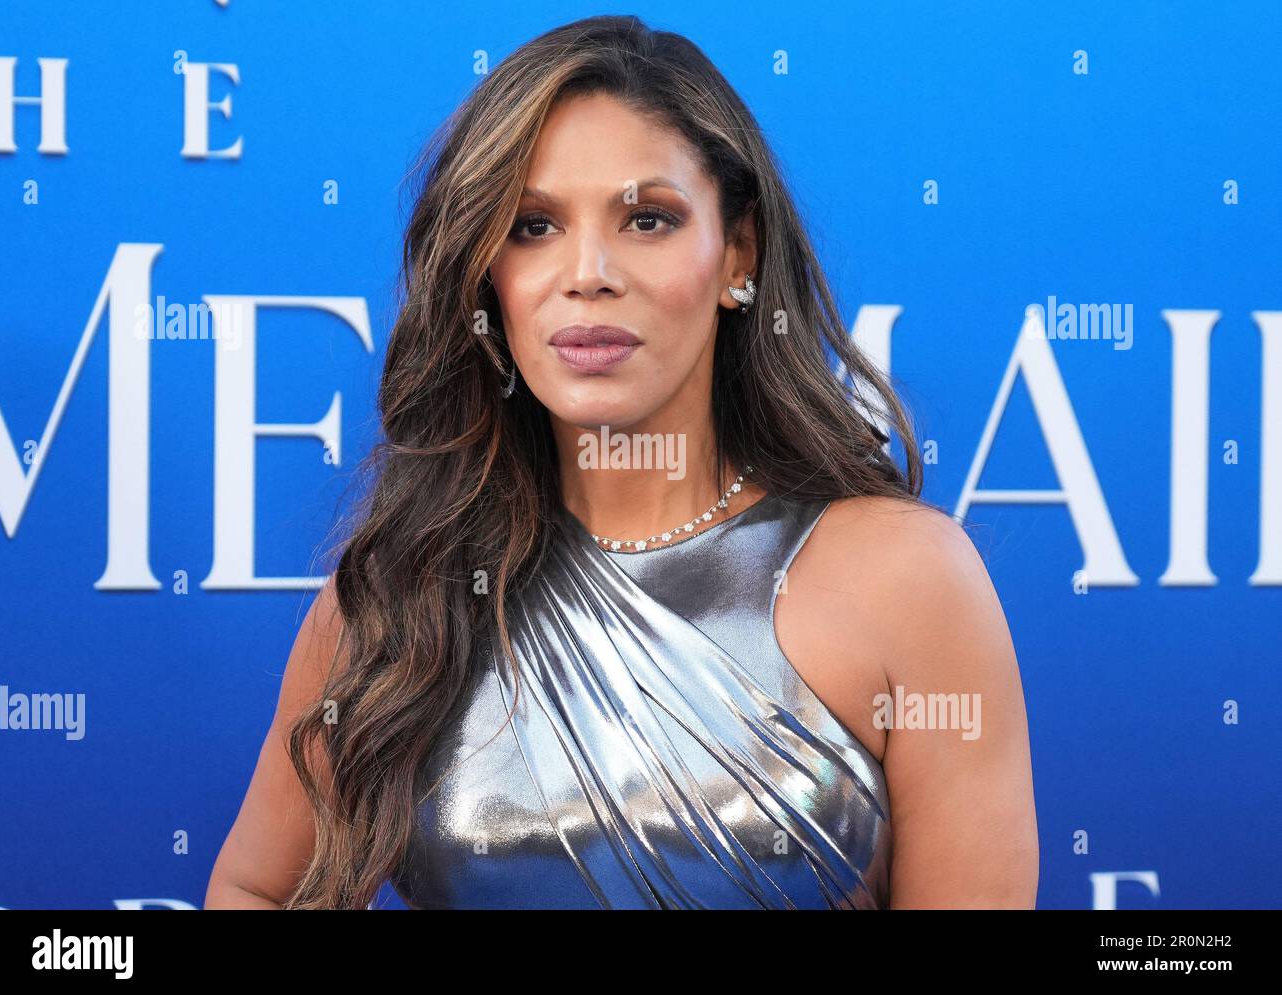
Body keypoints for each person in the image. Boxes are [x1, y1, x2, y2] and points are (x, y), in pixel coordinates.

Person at [206, 14, 1037, 910]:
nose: (588, 271)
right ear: (488, 274)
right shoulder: (401, 599)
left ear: (738, 256)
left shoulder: (907, 581)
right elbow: (256, 888)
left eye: (648, 219)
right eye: (533, 225)